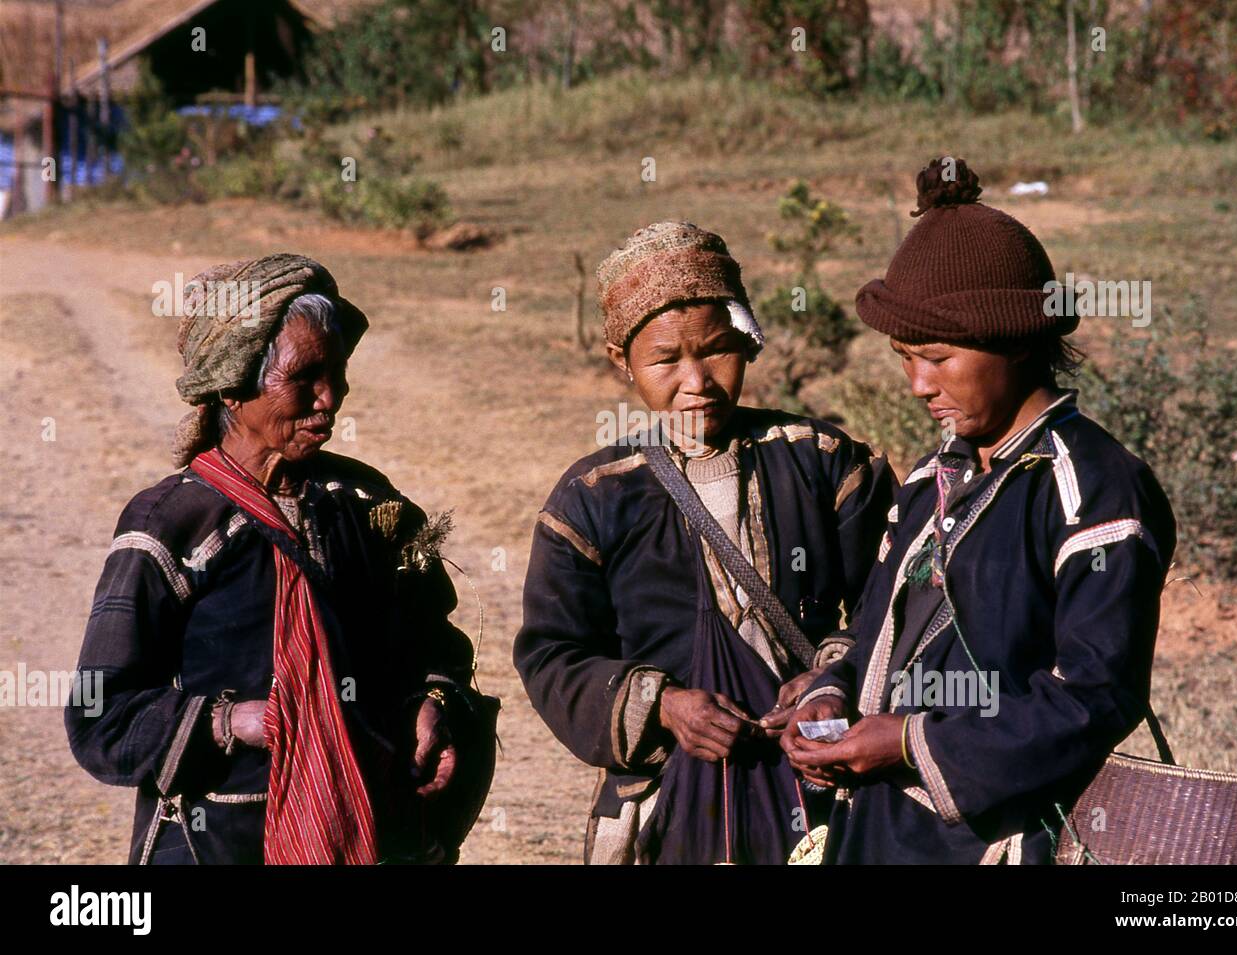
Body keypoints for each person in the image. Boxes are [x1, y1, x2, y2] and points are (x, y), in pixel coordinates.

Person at [781, 159, 1177, 864]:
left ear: (1015, 339)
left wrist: (907, 740)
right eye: (904, 357)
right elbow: (875, 632)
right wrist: (831, 694)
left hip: (996, 842)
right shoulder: (936, 475)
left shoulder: (1094, 491)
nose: (916, 384)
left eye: (935, 356)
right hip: (875, 833)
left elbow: (1093, 697)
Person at [66, 253, 491, 864]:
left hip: (365, 832)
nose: (330, 398)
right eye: (305, 377)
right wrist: (229, 721)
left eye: (337, 372)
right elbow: (100, 717)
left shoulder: (368, 507)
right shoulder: (171, 523)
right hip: (217, 842)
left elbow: (434, 644)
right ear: (234, 387)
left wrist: (435, 704)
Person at [515, 221, 895, 864]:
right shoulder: (594, 497)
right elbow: (553, 653)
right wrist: (662, 705)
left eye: (717, 349)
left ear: (745, 342)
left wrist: (828, 680)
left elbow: (889, 603)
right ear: (621, 361)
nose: (698, 380)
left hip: (824, 782)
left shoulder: (824, 460)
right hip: (670, 803)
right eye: (665, 359)